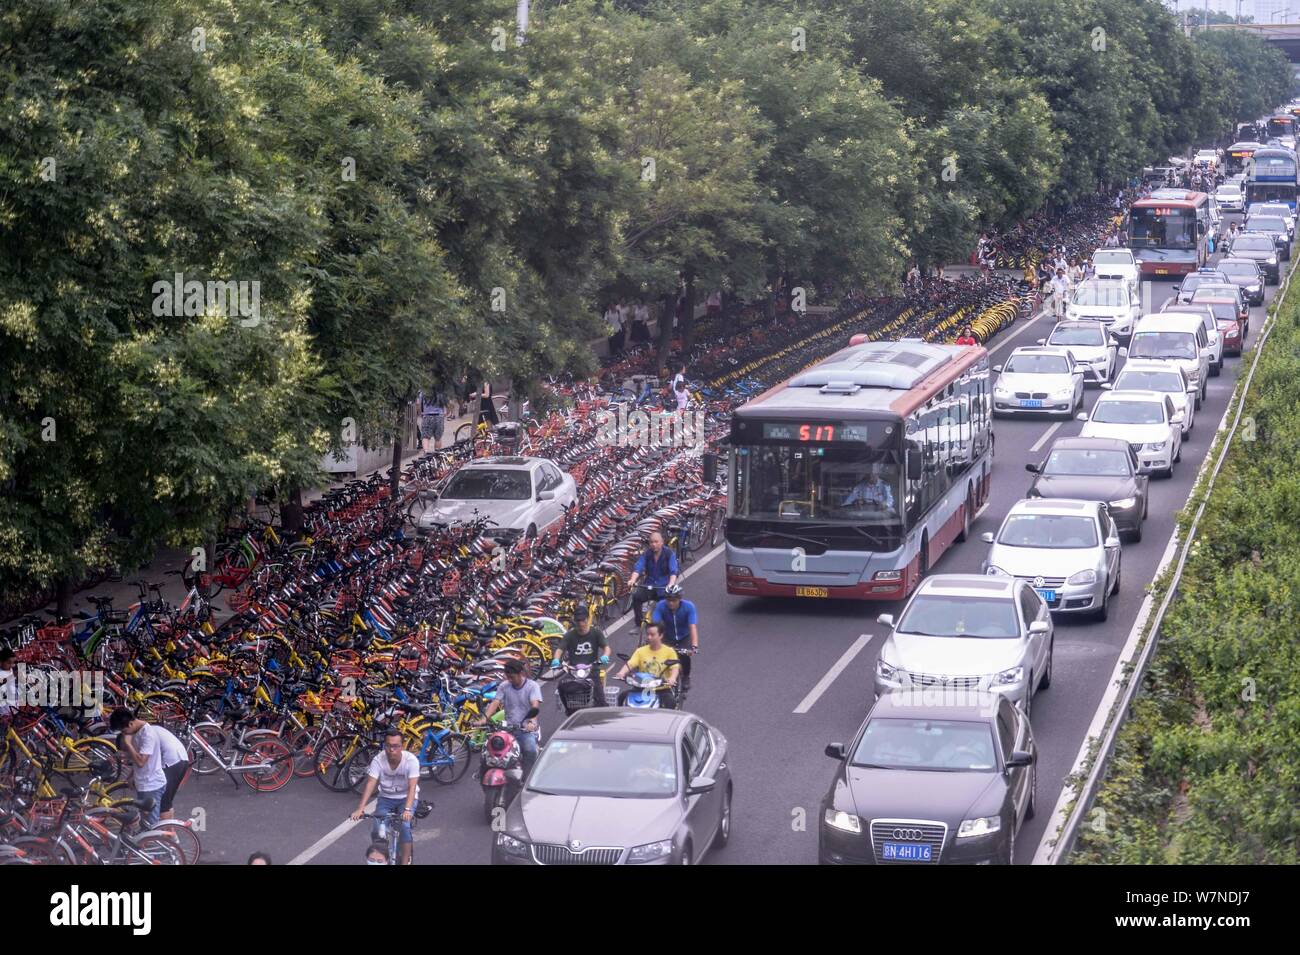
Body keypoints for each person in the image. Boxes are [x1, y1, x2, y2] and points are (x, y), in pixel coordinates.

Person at [109, 708, 190, 830]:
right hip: (172, 758)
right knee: (164, 804)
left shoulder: (147, 734)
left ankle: (167, 838)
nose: (125, 734)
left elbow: (142, 761)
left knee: (163, 806)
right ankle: (169, 837)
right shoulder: (139, 730)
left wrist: (128, 744)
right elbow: (142, 760)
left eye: (124, 731)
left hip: (173, 761)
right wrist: (131, 775)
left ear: (130, 724)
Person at [350, 725, 420, 865]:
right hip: (386, 798)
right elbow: (370, 783)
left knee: (405, 827)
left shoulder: (411, 761)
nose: (391, 750)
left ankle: (406, 861)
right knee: (377, 829)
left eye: (395, 746)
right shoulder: (378, 760)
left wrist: (407, 810)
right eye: (388, 746)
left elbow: (412, 787)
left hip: (406, 798)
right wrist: (360, 808)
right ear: (384, 746)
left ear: (402, 746)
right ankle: (382, 856)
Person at [480, 659, 543, 773]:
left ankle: (527, 777)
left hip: (525, 729)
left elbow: (535, 705)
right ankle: (482, 773)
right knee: (489, 748)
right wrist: (484, 718)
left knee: (530, 750)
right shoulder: (504, 686)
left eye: (512, 677)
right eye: (507, 677)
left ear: (520, 674)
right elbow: (495, 702)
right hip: (508, 728)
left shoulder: (532, 686)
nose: (509, 680)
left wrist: (532, 722)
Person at [551, 606, 610, 706]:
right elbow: (559, 649)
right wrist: (556, 659)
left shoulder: (596, 633)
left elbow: (606, 648)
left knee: (600, 697)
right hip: (573, 670)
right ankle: (568, 708)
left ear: (587, 618)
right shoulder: (570, 635)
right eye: (578, 621)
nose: (581, 623)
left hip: (592, 670)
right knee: (561, 685)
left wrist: (605, 656)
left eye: (583, 620)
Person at [614, 623, 680, 708]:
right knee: (622, 697)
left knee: (671, 702)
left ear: (660, 635)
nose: (649, 637)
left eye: (652, 635)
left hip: (661, 689)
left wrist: (672, 678)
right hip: (641, 687)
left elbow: (674, 668)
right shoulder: (640, 651)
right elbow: (630, 664)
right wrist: (621, 673)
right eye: (648, 634)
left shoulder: (669, 652)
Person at [626, 531, 680, 628]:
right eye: (651, 542)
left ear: (662, 542)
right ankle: (638, 624)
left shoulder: (669, 554)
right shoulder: (647, 554)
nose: (653, 544)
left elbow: (673, 572)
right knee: (636, 596)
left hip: (663, 588)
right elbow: (638, 567)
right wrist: (632, 580)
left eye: (656, 542)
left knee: (665, 612)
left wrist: (670, 584)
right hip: (649, 586)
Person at [651, 586, 699, 693]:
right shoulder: (661, 606)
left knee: (685, 657)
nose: (671, 603)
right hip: (668, 637)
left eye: (674, 600)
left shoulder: (689, 607)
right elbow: (655, 626)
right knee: (660, 657)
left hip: (684, 637)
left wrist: (694, 646)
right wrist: (654, 641)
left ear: (679, 599)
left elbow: (692, 627)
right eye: (668, 600)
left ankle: (686, 677)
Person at [0, 648, 15, 718]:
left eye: (13, 662)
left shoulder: (9, 669)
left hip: (12, 709)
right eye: (9, 663)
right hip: (4, 713)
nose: (12, 665)